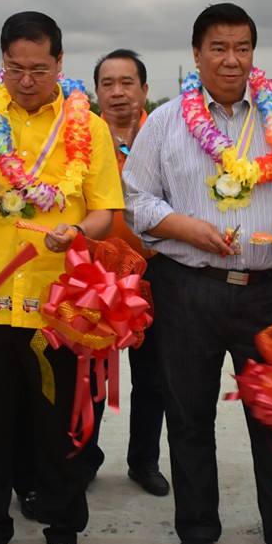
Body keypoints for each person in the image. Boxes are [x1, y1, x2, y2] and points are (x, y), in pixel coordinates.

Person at [123, 3, 272, 544]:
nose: (231, 59)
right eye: (218, 47)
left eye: (242, 47)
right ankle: (197, 526)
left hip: (268, 290)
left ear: (253, 53)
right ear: (196, 53)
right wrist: (184, 226)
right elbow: (137, 199)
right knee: (188, 414)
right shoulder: (165, 122)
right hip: (187, 287)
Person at [0, 11, 123, 544]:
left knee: (61, 433)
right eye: (15, 68)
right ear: (3, 63)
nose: (26, 79)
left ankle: (62, 533)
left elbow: (106, 211)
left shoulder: (85, 125)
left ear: (60, 64)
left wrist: (77, 233)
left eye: (39, 69)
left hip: (59, 308)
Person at [88, 48, 168, 496]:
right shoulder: (81, 138)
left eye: (127, 83)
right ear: (97, 90)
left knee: (153, 376)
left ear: (144, 90)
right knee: (92, 378)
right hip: (95, 276)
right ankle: (86, 457)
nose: (118, 93)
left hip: (156, 274)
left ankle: (144, 460)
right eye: (108, 84)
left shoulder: (165, 135)